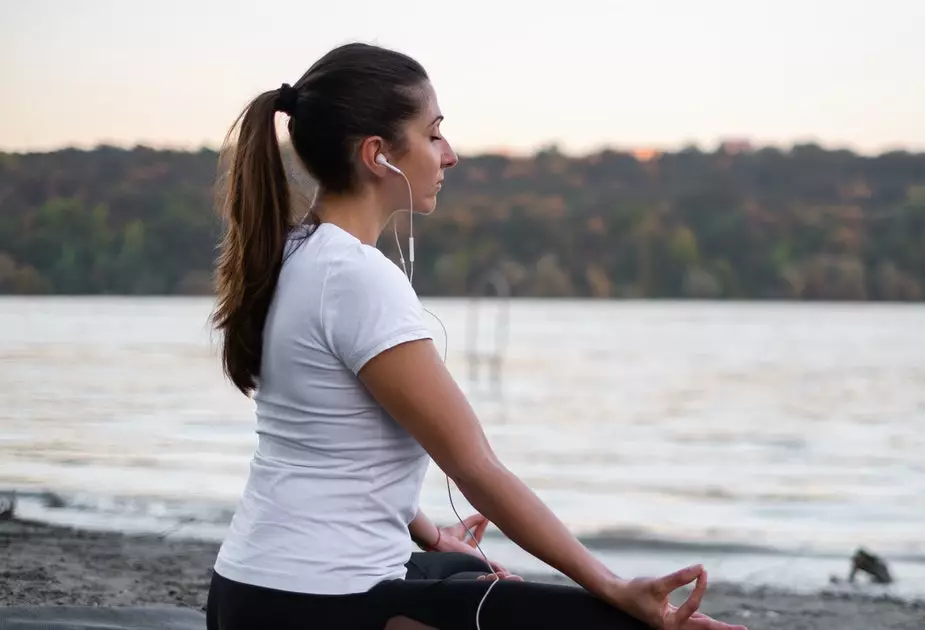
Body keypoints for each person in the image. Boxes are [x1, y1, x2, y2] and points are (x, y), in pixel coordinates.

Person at [204, 41, 748, 630]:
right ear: (377, 155)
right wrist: (616, 588)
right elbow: (477, 469)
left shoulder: (296, 255)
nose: (451, 154)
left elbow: (332, 444)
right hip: (317, 606)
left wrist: (431, 533)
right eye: (434, 133)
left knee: (465, 572)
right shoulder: (356, 278)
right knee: (631, 624)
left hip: (247, 590)